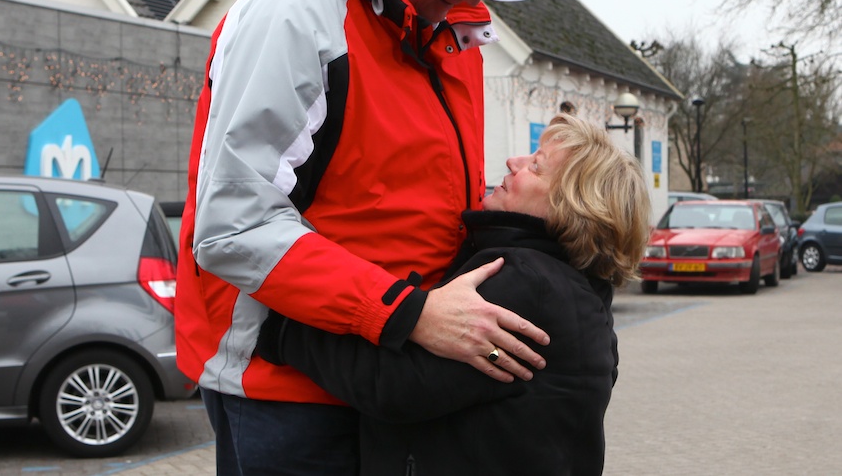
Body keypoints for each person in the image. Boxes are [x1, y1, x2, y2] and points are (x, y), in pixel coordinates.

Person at [175, 0, 547, 475]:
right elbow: (233, 228)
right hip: (290, 388)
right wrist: (409, 313)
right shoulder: (295, 17)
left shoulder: (452, 32)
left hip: (394, 372)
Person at [258, 113, 652, 475]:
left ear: (571, 206)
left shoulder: (526, 283)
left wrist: (285, 331)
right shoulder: (578, 291)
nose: (514, 162)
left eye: (536, 166)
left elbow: (397, 386)